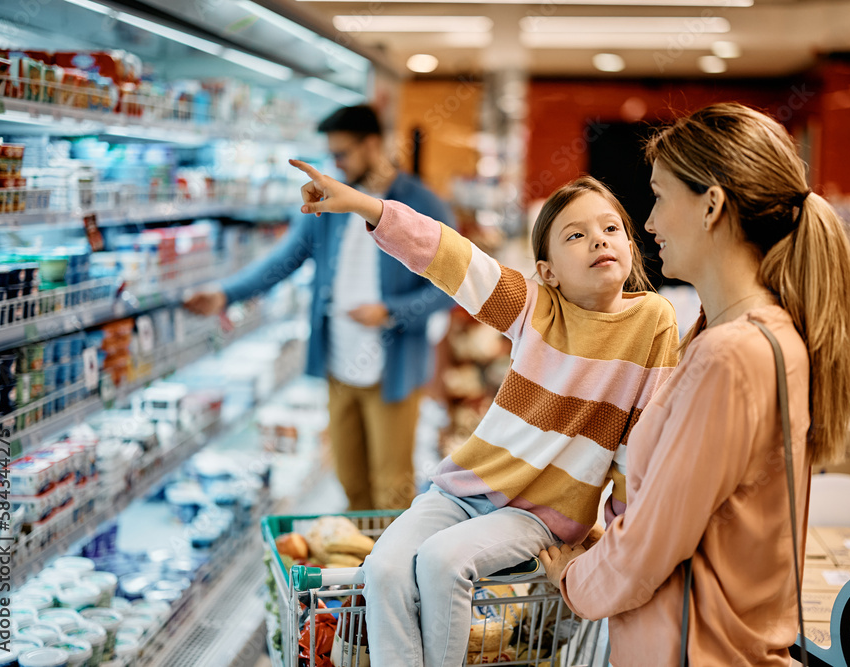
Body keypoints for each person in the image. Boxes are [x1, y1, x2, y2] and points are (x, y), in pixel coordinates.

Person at [288, 158, 681, 667]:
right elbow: (454, 260)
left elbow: (638, 445)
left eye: (611, 228)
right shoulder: (536, 310)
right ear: (547, 272)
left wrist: (618, 536)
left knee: (441, 561)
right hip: (462, 489)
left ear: (630, 245)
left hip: (539, 515)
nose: (599, 240)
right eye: (575, 235)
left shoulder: (653, 321)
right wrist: (368, 206)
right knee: (381, 568)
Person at [538, 102, 850, 666]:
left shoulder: (731, 356)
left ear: (711, 205)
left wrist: (575, 578)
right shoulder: (745, 334)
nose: (651, 222)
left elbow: (650, 548)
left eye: (660, 197)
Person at [184, 105, 454, 511]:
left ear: (373, 144)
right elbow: (285, 258)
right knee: (349, 481)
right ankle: (364, 566)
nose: (336, 164)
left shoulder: (421, 202)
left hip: (392, 368)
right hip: (338, 364)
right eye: (332, 155)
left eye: (343, 154)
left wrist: (392, 311)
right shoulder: (332, 203)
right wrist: (225, 294)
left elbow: (450, 287)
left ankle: (391, 570)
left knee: (391, 486)